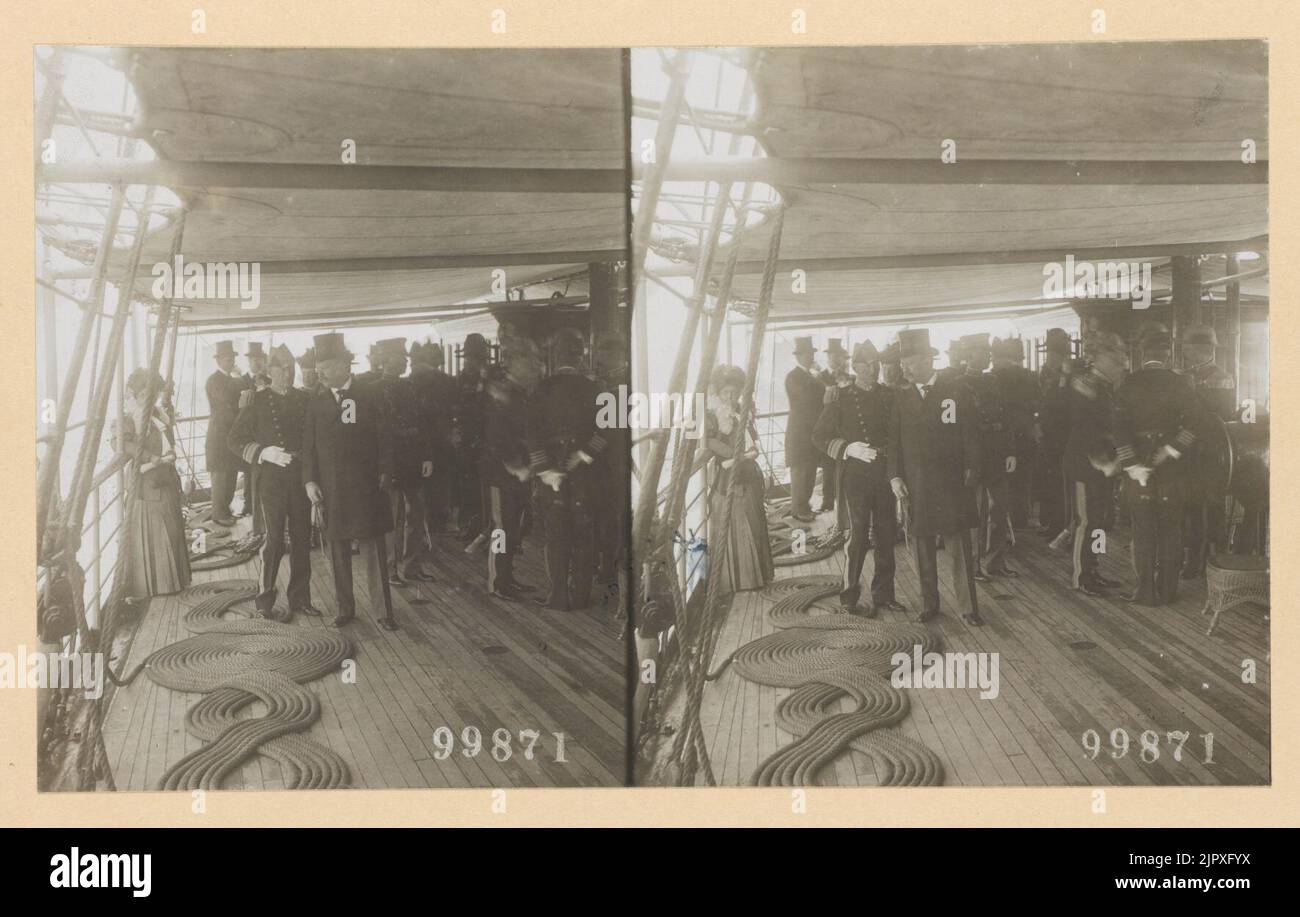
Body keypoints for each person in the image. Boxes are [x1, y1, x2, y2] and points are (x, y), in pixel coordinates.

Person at [301, 332, 399, 631]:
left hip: (366, 486)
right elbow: (308, 447)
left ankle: (384, 611)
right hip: (331, 488)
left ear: (344, 365)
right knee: (338, 549)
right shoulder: (316, 401)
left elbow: (385, 437)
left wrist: (385, 472)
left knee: (373, 550)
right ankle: (346, 608)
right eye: (320, 367)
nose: (321, 371)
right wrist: (309, 481)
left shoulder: (368, 394)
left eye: (327, 365)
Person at [887, 328, 983, 625]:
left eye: (909, 361)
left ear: (927, 360)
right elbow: (894, 443)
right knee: (922, 546)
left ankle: (969, 608)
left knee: (959, 548)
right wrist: (894, 477)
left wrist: (971, 468)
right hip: (916, 484)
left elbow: (971, 434)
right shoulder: (901, 398)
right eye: (903, 363)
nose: (904, 367)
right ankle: (929, 604)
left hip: (952, 483)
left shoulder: (954, 391)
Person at [1113, 329, 1205, 606]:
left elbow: (1118, 429)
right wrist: (1172, 448)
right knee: (1171, 528)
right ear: (1167, 354)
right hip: (1172, 467)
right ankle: (1167, 591)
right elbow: (1197, 422)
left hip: (1139, 463)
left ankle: (1145, 592)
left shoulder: (1127, 383)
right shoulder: (1181, 383)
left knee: (1142, 531)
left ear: (1142, 354)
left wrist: (1131, 465)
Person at [228, 344, 319, 618]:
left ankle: (300, 598)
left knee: (303, 539)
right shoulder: (257, 400)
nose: (287, 373)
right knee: (275, 541)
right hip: (271, 480)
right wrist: (262, 452)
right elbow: (234, 440)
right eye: (281, 368)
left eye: (290, 368)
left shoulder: (305, 400)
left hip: (299, 477)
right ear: (269, 370)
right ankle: (264, 600)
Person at [812, 340, 904, 615]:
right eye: (866, 365)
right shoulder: (841, 398)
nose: (872, 370)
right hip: (855, 476)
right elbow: (818, 436)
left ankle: (884, 594)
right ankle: (849, 596)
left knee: (887, 535)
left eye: (876, 364)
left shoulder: (889, 395)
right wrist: (846, 448)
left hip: (884, 473)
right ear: (856, 366)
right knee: (858, 536)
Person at [528, 328, 607, 611]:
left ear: (555, 355)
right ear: (581, 356)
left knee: (556, 534)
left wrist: (547, 470)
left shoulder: (541, 389)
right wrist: (584, 454)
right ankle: (582, 594)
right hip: (584, 474)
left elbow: (531, 433)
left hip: (552, 473)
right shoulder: (595, 389)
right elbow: (605, 431)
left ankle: (558, 595)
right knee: (584, 534)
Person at [1062, 332, 1128, 596]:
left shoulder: (1104, 387)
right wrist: (1103, 463)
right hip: (1086, 466)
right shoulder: (1086, 386)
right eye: (1113, 359)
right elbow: (1084, 431)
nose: (1120, 364)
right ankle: (1081, 576)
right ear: (1096, 359)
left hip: (1104, 465)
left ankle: (1094, 568)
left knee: (1099, 521)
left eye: (1120, 359)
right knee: (1087, 521)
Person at [116, 368, 191, 599]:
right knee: (155, 532)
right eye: (150, 395)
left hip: (165, 478)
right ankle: (155, 586)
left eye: (156, 394)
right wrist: (151, 458)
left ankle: (173, 581)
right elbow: (122, 445)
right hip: (147, 485)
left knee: (172, 528)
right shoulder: (127, 420)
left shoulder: (157, 415)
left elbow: (168, 439)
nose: (154, 399)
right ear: (138, 395)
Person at [704, 364, 774, 593]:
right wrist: (736, 455)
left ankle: (757, 577)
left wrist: (749, 454)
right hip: (728, 477)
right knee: (732, 524)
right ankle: (737, 581)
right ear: (719, 393)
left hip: (748, 473)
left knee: (754, 521)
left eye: (734, 392)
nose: (731, 397)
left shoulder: (742, 411)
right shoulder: (713, 415)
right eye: (726, 393)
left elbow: (752, 438)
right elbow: (709, 442)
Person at [372, 338, 436, 585]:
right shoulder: (373, 390)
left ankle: (411, 566)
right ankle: (389, 570)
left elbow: (423, 424)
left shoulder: (411, 387)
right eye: (399, 358)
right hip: (389, 463)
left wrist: (427, 456)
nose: (404, 362)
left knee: (416, 516)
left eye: (405, 359)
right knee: (391, 518)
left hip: (413, 461)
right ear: (386, 360)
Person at [483, 339, 542, 600]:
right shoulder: (501, 393)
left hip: (521, 473)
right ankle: (497, 581)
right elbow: (496, 437)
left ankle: (507, 577)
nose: (534, 367)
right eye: (528, 362)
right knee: (500, 529)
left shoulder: (520, 393)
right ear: (514, 363)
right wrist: (516, 466)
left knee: (513, 529)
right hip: (503, 474)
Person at [958, 333, 1017, 579]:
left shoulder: (994, 382)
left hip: (996, 454)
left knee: (999, 510)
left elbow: (1006, 418)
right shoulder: (957, 385)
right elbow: (954, 427)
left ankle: (995, 562)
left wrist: (1011, 450)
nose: (986, 357)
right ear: (969, 355)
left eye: (987, 353)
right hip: (973, 457)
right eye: (981, 352)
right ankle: (972, 566)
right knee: (974, 514)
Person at [1180, 324, 1236, 578]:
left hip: (1212, 454)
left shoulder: (1221, 378)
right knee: (1191, 507)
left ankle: (1213, 560)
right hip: (1190, 451)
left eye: (1189, 347)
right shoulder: (1185, 376)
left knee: (1211, 507)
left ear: (1204, 349)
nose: (1185, 351)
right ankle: (1195, 559)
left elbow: (1218, 418)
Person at [409, 341, 456, 539]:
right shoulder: (447, 381)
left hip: (419, 438)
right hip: (442, 437)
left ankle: (425, 520)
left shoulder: (411, 380)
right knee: (441, 479)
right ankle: (439, 519)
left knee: (423, 481)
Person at [992, 337, 1038, 529]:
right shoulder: (1030, 377)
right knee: (1022, 480)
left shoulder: (994, 377)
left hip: (1002, 437)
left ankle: (1005, 521)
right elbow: (1037, 404)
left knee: (1004, 481)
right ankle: (1020, 519)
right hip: (1025, 435)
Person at [204, 340, 247, 527]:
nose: (230, 362)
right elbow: (226, 400)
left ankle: (225, 509)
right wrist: (238, 380)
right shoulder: (214, 381)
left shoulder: (231, 379)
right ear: (219, 360)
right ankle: (218, 514)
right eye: (227, 359)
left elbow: (243, 390)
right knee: (220, 476)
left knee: (230, 473)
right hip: (218, 436)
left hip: (230, 435)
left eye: (232, 359)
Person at [1035, 328, 1073, 538]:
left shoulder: (1068, 377)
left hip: (1061, 437)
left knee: (1060, 483)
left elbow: (1061, 407)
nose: (1049, 360)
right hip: (1048, 435)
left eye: (1052, 356)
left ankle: (1060, 525)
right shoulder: (1045, 373)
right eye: (1048, 356)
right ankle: (1051, 522)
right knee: (1050, 481)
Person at [453, 333, 491, 540]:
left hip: (486, 440)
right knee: (467, 485)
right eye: (471, 358)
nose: (473, 362)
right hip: (467, 441)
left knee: (483, 486)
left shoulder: (490, 379)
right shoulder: (460, 381)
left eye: (477, 358)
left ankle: (483, 525)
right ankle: (469, 526)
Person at [784, 336, 826, 522]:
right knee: (799, 471)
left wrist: (818, 376)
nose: (810, 357)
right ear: (799, 356)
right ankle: (798, 510)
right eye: (807, 354)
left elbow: (823, 390)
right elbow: (805, 396)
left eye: (811, 353)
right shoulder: (793, 377)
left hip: (810, 431)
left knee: (809, 470)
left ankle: (805, 507)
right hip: (798, 432)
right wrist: (817, 378)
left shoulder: (811, 376)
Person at [815, 339, 852, 514]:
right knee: (828, 466)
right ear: (828, 358)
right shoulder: (819, 378)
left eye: (840, 356)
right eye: (833, 356)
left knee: (845, 467)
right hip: (828, 428)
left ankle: (844, 499)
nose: (837, 359)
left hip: (846, 427)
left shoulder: (851, 378)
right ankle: (828, 500)